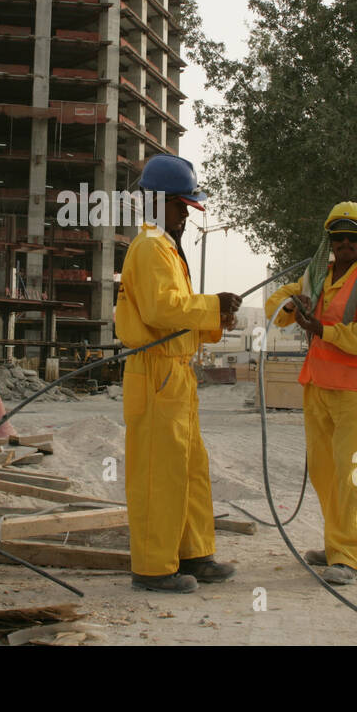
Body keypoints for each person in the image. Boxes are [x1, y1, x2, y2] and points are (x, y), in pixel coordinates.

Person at [115, 154, 243, 593]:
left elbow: (175, 315)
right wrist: (212, 305)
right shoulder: (150, 247)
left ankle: (194, 554)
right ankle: (153, 568)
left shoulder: (166, 247)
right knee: (158, 474)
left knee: (189, 469)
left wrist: (214, 318)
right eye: (181, 205)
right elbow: (160, 310)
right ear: (157, 203)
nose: (187, 214)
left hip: (175, 375)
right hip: (155, 375)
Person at [264, 201, 357, 586]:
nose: (344, 244)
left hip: (355, 391)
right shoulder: (316, 277)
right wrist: (294, 304)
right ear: (330, 240)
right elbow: (277, 305)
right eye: (337, 237)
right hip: (318, 385)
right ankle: (334, 544)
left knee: (350, 471)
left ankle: (350, 557)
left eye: (352, 237)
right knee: (324, 472)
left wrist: (321, 329)